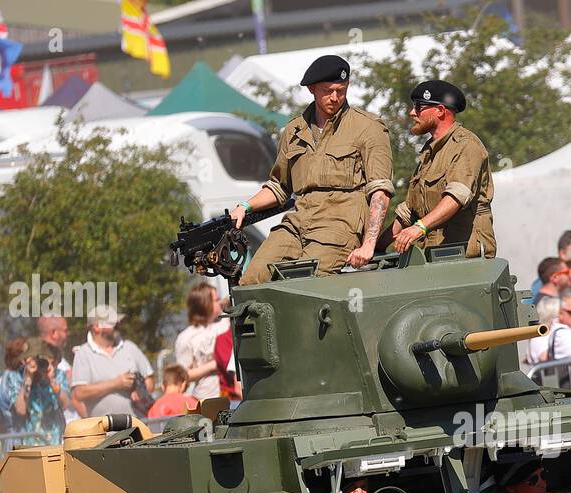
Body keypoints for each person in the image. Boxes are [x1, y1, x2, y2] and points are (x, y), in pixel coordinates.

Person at [234, 55, 395, 282]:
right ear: (312, 89)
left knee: (306, 287)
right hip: (297, 224)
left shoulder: (368, 127)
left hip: (339, 226)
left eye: (341, 90)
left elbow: (381, 190)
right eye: (327, 90)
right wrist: (245, 207)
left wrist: (369, 244)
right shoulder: (294, 130)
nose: (335, 97)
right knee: (252, 280)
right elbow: (279, 188)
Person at [382, 80, 494, 259]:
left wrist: (419, 228)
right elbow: (409, 211)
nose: (412, 113)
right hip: (433, 256)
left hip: (465, 257)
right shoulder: (429, 153)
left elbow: (456, 197)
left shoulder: (466, 145)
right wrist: (376, 246)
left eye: (419, 107)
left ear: (440, 111)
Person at [70, 305, 155, 419]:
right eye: (112, 323)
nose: (118, 326)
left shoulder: (130, 347)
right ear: (96, 327)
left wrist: (142, 392)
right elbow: (79, 393)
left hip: (138, 425)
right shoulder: (83, 354)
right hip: (106, 432)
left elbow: (149, 378)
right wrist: (115, 384)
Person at [0, 337, 72, 445]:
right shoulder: (16, 377)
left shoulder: (58, 374)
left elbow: (66, 404)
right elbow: (20, 410)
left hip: (57, 440)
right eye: (36, 359)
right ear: (26, 360)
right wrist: (28, 378)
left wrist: (51, 380)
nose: (39, 363)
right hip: (31, 444)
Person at [174, 281, 228, 402]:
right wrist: (214, 365)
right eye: (215, 300)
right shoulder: (186, 337)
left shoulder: (225, 323)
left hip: (231, 393)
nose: (219, 302)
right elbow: (183, 376)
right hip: (206, 397)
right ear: (204, 303)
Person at [36, 314, 83, 420]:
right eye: (65, 330)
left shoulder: (61, 360)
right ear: (54, 333)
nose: (68, 334)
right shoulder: (36, 361)